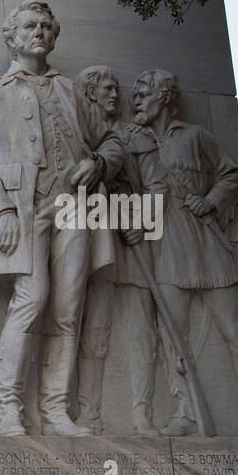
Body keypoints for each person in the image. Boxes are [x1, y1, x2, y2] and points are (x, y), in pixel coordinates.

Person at [0, 0, 122, 436]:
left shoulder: (71, 91)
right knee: (30, 302)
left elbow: (111, 140)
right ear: (11, 36)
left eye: (47, 26)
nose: (40, 32)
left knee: (68, 310)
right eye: (30, 26)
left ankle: (54, 410)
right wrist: (1, 209)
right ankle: (9, 407)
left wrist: (101, 165)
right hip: (23, 207)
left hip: (73, 207)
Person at [125, 69, 238, 438]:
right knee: (174, 338)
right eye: (135, 94)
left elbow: (230, 175)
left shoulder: (195, 136)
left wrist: (211, 200)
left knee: (237, 332)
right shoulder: (135, 142)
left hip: (206, 243)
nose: (136, 100)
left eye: (143, 92)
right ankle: (186, 411)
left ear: (165, 97)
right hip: (167, 249)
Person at [72, 66, 160, 435]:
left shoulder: (135, 137)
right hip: (97, 240)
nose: (116, 95)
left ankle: (142, 414)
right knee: (95, 330)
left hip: (137, 246)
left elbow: (156, 186)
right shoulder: (77, 133)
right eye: (108, 88)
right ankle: (89, 412)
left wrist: (140, 220)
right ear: (90, 93)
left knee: (143, 334)